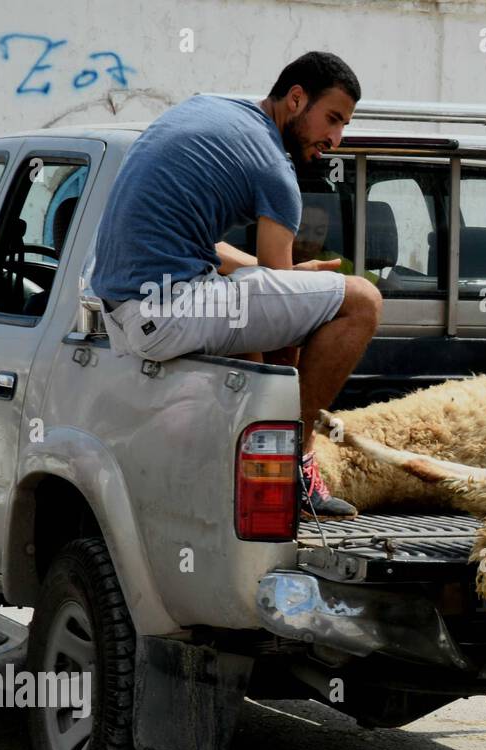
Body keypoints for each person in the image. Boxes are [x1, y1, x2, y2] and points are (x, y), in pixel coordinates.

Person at [90, 51, 381, 519]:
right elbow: (278, 292)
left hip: (126, 310)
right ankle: (297, 462)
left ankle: (238, 470)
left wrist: (293, 281)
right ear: (296, 98)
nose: (336, 138)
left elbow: (219, 256)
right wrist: (300, 284)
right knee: (363, 300)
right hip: (167, 311)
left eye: (343, 125)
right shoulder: (275, 170)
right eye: (332, 119)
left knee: (256, 338)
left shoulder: (213, 110)